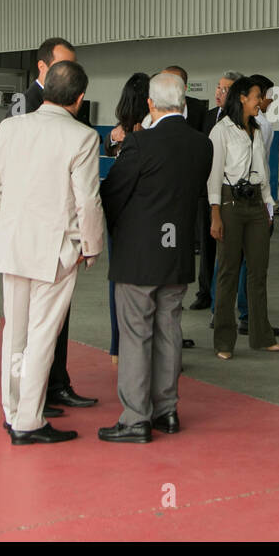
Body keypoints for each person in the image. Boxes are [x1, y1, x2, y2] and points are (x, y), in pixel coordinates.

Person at [0, 60, 104, 444]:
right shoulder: (83, 137)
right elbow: (87, 201)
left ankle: (13, 410)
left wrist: (3, 234)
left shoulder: (9, 127)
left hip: (13, 246)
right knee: (41, 337)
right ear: (80, 98)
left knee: (14, 335)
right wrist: (92, 246)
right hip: (55, 252)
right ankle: (28, 422)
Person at [99, 72, 214, 442]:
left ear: (150, 103)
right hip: (177, 252)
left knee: (136, 335)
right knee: (169, 331)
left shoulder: (139, 144)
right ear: (183, 103)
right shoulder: (202, 145)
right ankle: (167, 411)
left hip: (139, 255)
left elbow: (112, 195)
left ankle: (135, 419)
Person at [17, 37, 97, 410]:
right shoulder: (27, 108)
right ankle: (35, 395)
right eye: (64, 65)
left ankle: (55, 384)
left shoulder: (71, 110)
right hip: (39, 233)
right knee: (34, 324)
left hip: (53, 236)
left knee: (55, 319)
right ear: (43, 68)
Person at [208, 76, 279, 356]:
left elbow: (263, 170)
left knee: (258, 271)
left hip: (256, 205)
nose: (260, 101)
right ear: (241, 98)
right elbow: (214, 174)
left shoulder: (257, 129)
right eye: (256, 96)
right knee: (228, 271)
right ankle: (224, 342)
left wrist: (268, 207)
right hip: (229, 202)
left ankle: (262, 336)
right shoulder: (221, 131)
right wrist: (215, 213)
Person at [106, 72, 152, 360]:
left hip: (121, 215)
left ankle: (118, 346)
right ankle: (146, 347)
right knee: (150, 286)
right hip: (147, 214)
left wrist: (113, 136)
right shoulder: (151, 133)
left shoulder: (122, 131)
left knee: (119, 283)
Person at [191, 71, 242, 311]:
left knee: (229, 245)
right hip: (206, 189)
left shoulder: (241, 120)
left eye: (226, 89)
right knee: (206, 241)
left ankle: (225, 293)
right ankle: (204, 292)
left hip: (231, 192)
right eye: (218, 88)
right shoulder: (208, 116)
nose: (219, 93)